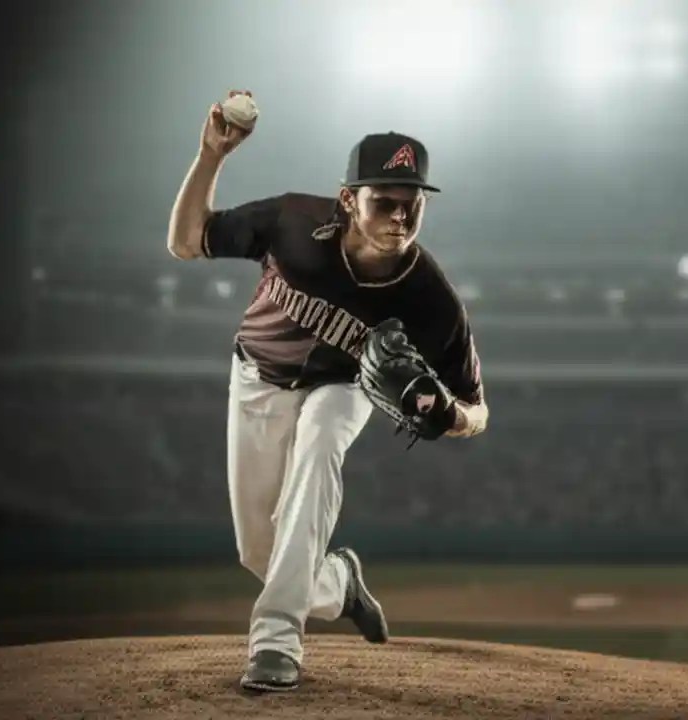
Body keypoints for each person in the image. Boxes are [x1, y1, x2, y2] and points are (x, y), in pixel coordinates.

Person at [165, 91, 489, 692]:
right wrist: (210, 156)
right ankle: (337, 585)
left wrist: (448, 414)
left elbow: (478, 410)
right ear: (348, 199)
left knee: (320, 447)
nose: (399, 215)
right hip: (257, 379)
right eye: (384, 200)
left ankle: (276, 643)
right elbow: (187, 243)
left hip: (344, 388)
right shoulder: (291, 222)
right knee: (259, 553)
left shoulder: (430, 298)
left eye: (411, 203)